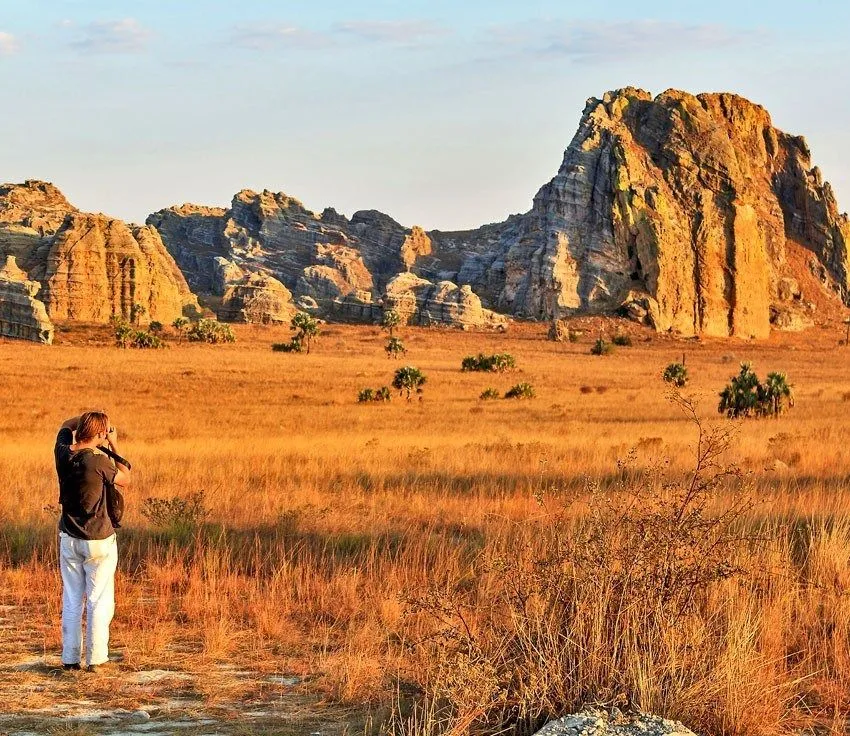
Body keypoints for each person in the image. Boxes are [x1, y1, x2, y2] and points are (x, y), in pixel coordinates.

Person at [54, 412, 131, 673]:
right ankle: (96, 659)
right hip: (99, 539)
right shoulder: (100, 462)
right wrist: (114, 443)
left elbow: (66, 425)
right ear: (100, 434)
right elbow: (125, 478)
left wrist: (87, 420)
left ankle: (70, 659)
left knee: (72, 598)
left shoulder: (63, 453)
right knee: (99, 599)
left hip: (69, 537)